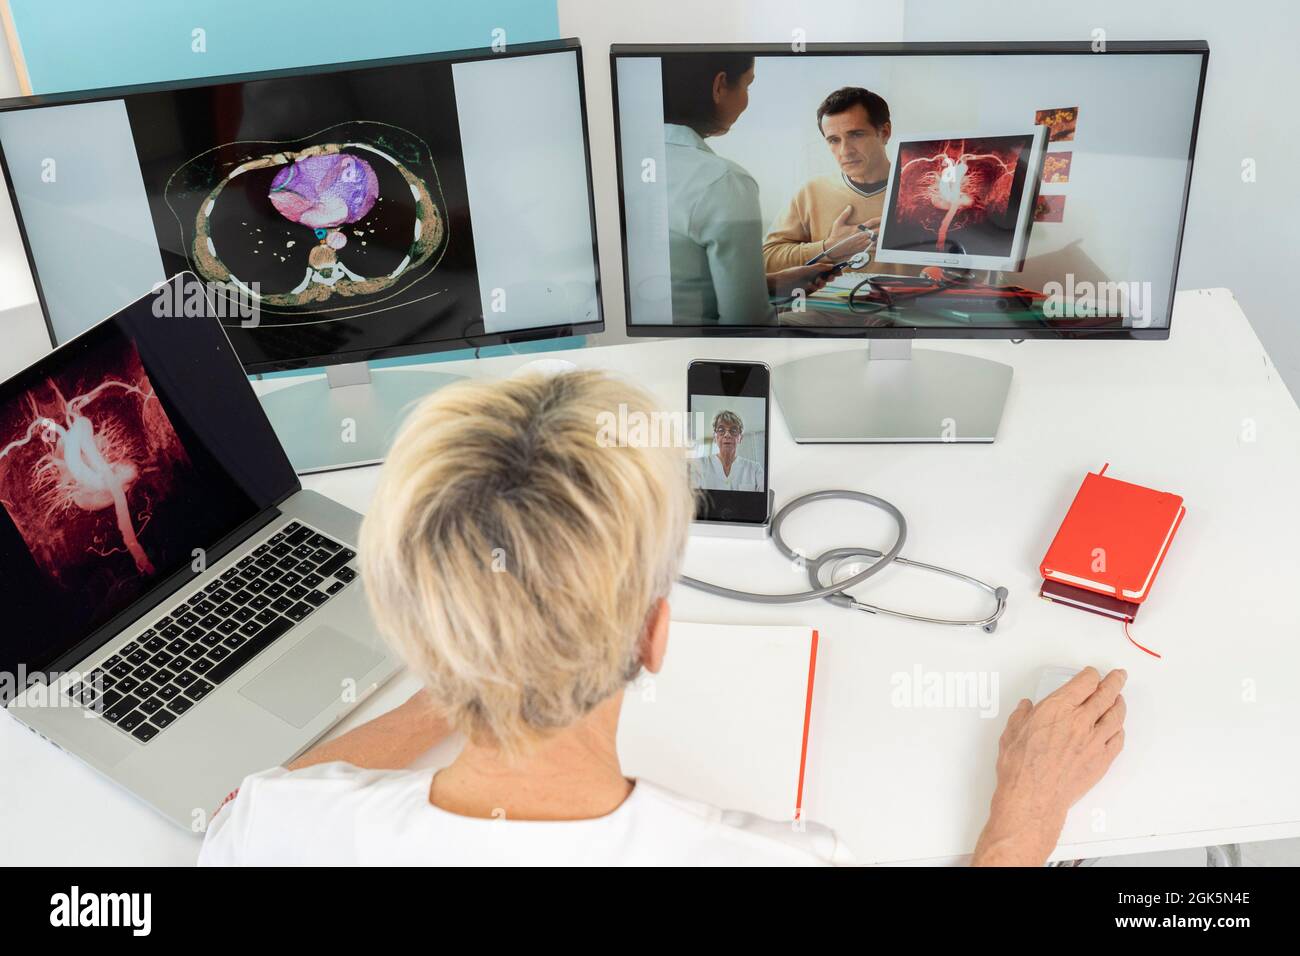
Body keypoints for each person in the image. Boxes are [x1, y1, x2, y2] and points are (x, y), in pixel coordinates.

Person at [198, 370, 1126, 866]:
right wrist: (1025, 820)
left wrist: (484, 655)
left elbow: (259, 808)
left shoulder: (274, 830)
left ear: (410, 628)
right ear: (653, 633)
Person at [661, 54, 834, 324]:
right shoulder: (723, 180)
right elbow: (748, 324)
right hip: (698, 352)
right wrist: (816, 320)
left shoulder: (627, 160)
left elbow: (679, 283)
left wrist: (769, 283)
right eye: (747, 85)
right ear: (719, 86)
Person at [762, 86, 918, 279]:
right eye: (834, 140)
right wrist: (829, 247)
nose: (845, 151)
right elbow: (766, 260)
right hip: (824, 309)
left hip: (910, 307)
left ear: (884, 132)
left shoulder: (926, 193)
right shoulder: (810, 192)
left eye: (856, 135)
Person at [690, 409, 764, 492]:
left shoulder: (755, 470)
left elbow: (764, 503)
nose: (727, 435)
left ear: (740, 438)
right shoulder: (699, 466)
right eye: (721, 430)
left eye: (733, 430)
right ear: (715, 437)